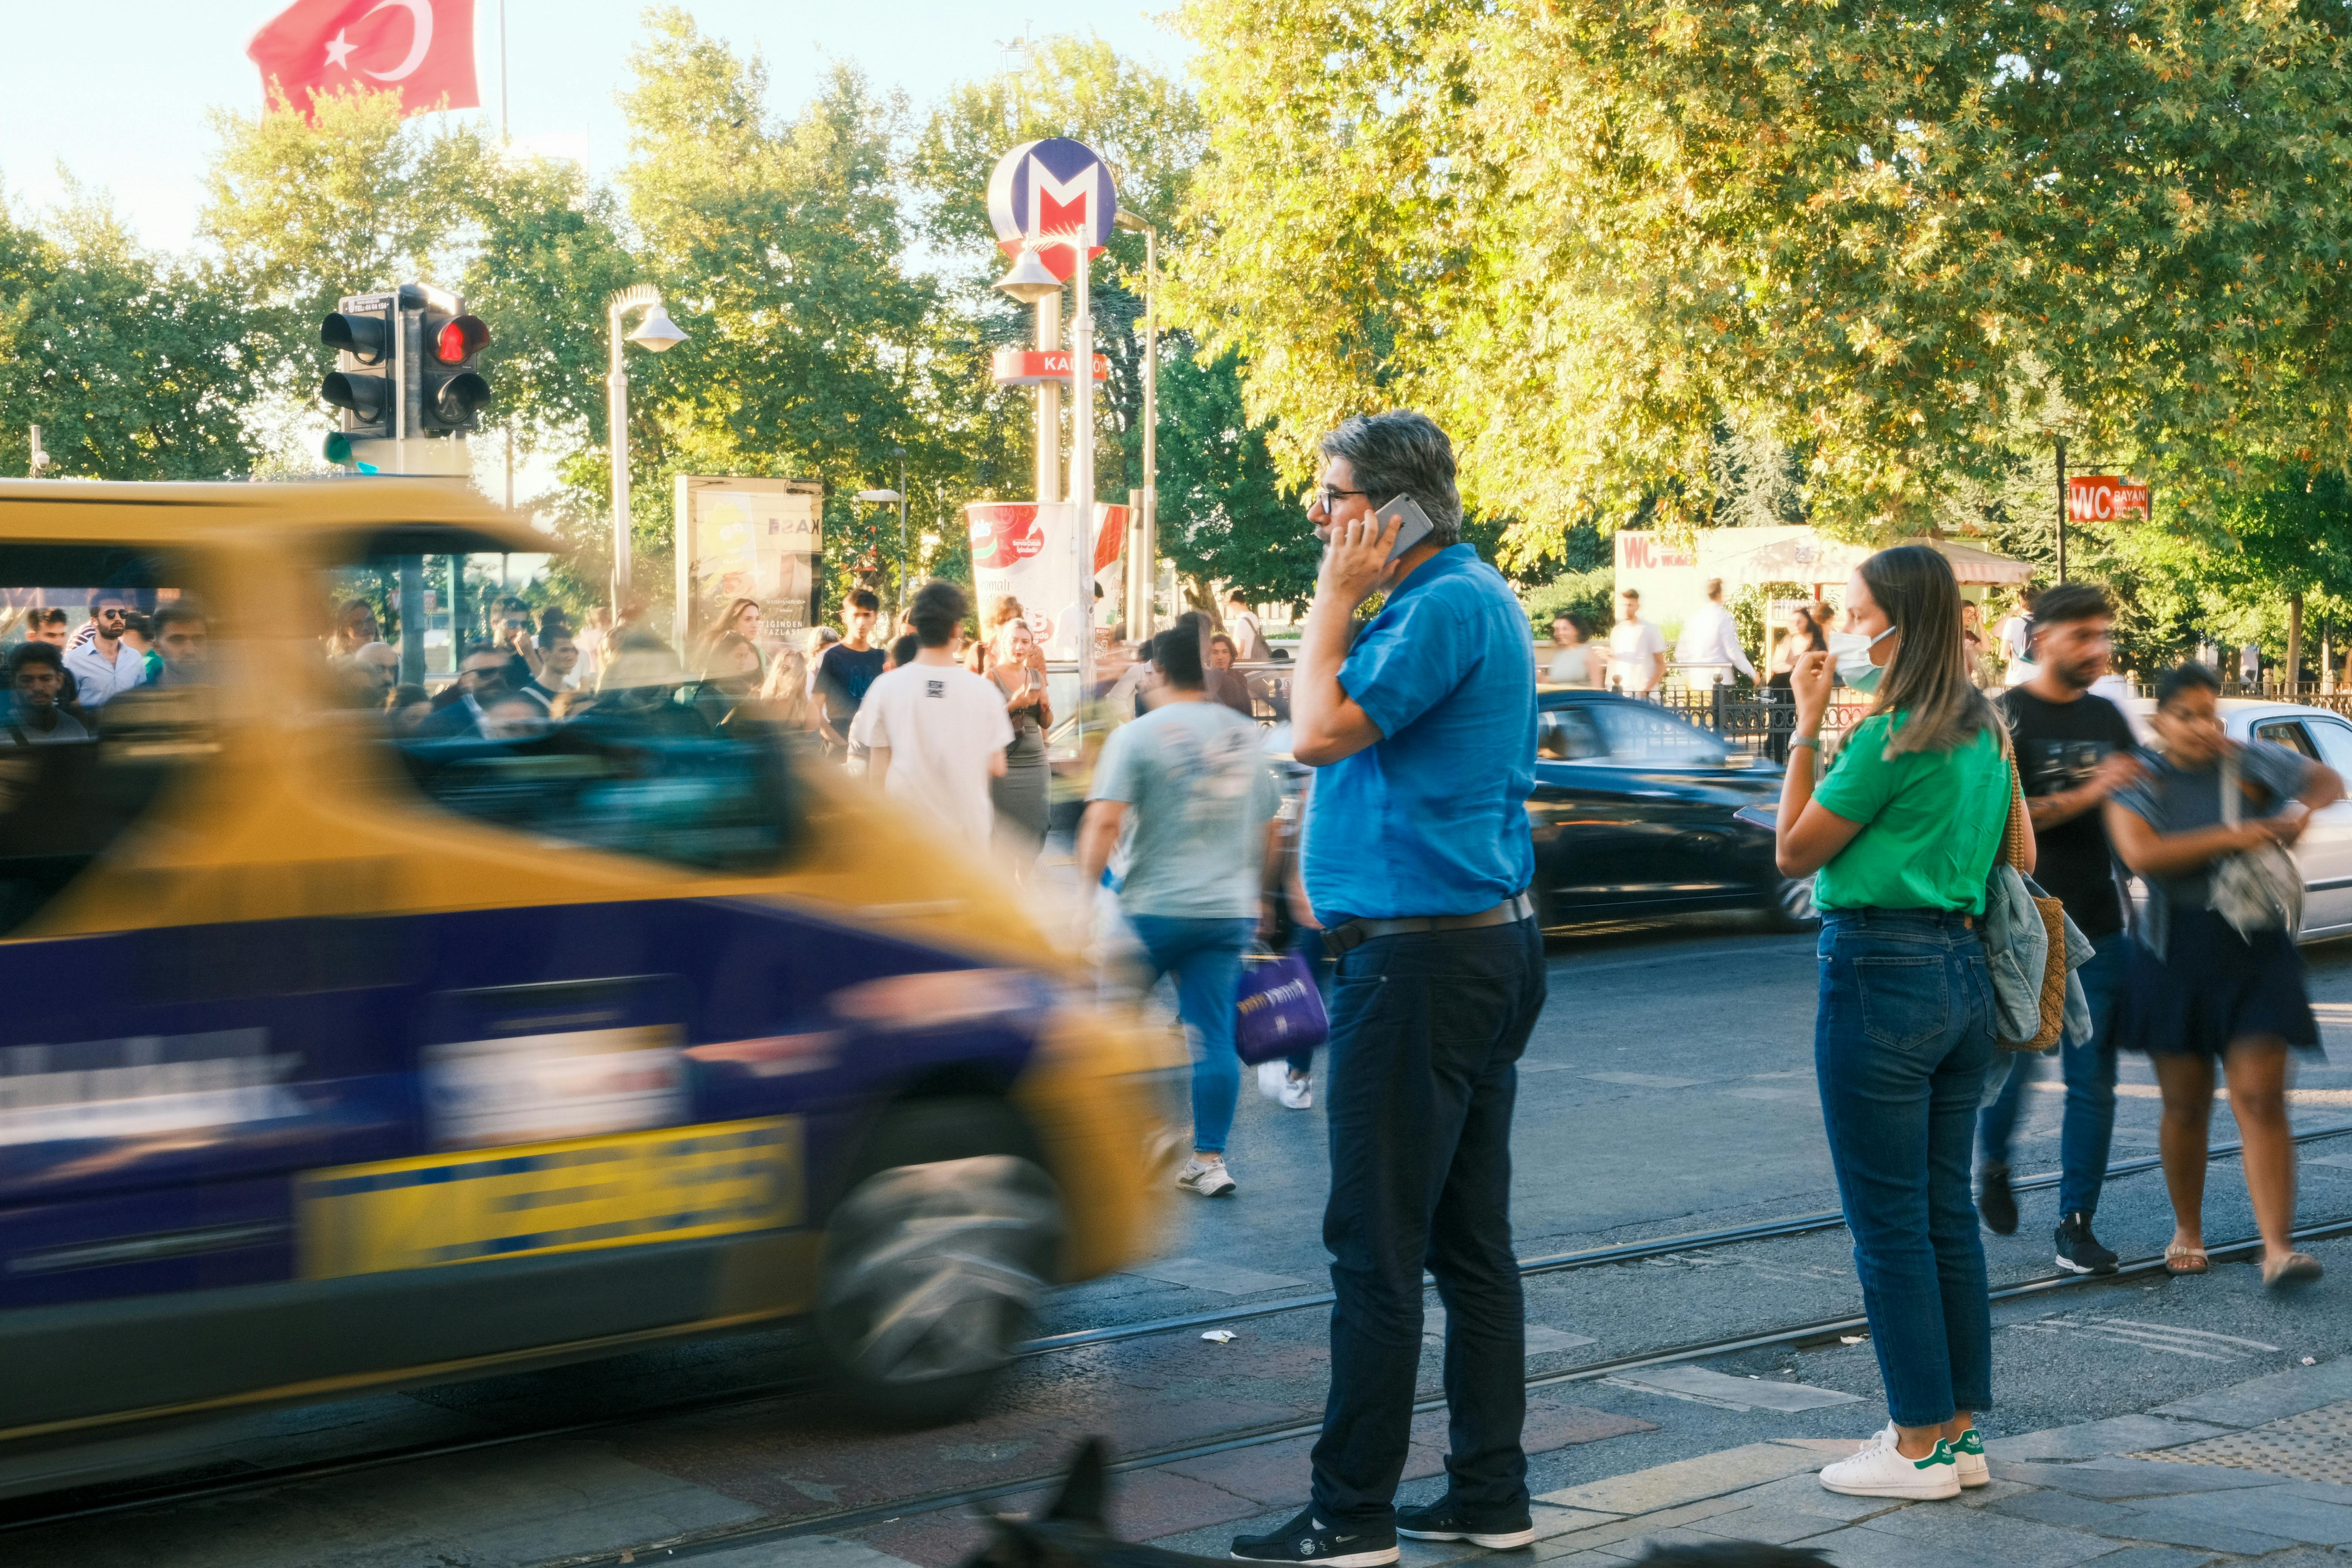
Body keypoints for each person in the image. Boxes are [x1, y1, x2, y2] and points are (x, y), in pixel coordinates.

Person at [1231, 411, 1543, 1568]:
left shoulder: (1440, 605)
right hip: (1457, 949)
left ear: (1397, 508)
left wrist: (1330, 597)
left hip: (1423, 965)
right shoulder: (1457, 600)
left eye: (1335, 494)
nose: (1320, 515)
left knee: (1374, 1245)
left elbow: (1314, 730)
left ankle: (1351, 1513)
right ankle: (1486, 1495)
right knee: (1467, 1241)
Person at [1773, 544, 2021, 1502]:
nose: (1844, 629)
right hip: (1963, 973)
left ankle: (1915, 1444)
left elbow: (1795, 852)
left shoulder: (1890, 736)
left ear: (1896, 624)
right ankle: (1958, 1433)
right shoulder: (1987, 729)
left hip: (1880, 971)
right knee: (1940, 1208)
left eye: (1854, 611)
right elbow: (2020, 847)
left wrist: (1803, 726)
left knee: (1887, 1223)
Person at [2104, 661, 2343, 1288]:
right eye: (2187, 714)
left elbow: (2327, 780)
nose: (2202, 726)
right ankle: (2188, 1228)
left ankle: (2278, 1249)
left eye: (2210, 712)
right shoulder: (2141, 778)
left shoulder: (2249, 760)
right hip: (2175, 952)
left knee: (2262, 1099)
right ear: (2161, 719)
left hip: (2255, 949)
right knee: (2185, 1106)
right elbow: (2142, 854)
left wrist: (2298, 813)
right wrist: (2249, 832)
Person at [1078, 618, 1282, 1197]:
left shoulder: (1139, 735)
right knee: (1213, 1034)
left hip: (1149, 908)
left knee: (1109, 1026)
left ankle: (1143, 1131)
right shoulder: (1244, 735)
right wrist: (1260, 896)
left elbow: (1103, 820)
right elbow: (1270, 826)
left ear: (1159, 672)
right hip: (1225, 911)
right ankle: (1209, 1160)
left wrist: (1081, 899)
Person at [1974, 584, 2142, 1274]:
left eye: (2103, 635)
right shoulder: (2006, 716)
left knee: (2093, 1081)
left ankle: (2076, 1225)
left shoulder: (2109, 718)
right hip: (2026, 926)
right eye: (2084, 636)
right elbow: (2006, 818)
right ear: (2042, 638)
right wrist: (2091, 792)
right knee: (2015, 1068)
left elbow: (2132, 814)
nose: (2098, 650)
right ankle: (1995, 1164)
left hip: (2100, 927)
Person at [848, 580, 1012, 851]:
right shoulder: (984, 692)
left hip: (905, 833)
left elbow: (877, 770)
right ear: (956, 629)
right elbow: (997, 767)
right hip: (967, 835)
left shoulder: (885, 687)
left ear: (917, 628)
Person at [987, 620, 1055, 870]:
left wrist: (1046, 708)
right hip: (1004, 762)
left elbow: (1046, 722)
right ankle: (1003, 882)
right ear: (1004, 643)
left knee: (1039, 824)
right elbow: (984, 723)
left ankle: (1024, 875)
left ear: (1031, 647)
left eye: (1025, 642)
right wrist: (1013, 705)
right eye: (1014, 640)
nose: (1019, 646)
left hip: (1035, 761)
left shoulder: (1036, 676)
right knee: (1003, 828)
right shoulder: (991, 677)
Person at [816, 590, 887, 754]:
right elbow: (814, 709)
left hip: (873, 747)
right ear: (845, 617)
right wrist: (841, 744)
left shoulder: (882, 658)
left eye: (867, 615)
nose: (861, 621)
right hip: (839, 747)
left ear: (875, 618)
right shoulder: (831, 657)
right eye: (856, 615)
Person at [64, 591, 149, 709]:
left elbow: (141, 700)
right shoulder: (73, 660)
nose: (118, 618)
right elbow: (68, 705)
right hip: (91, 727)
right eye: (111, 614)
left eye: (123, 613)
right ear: (94, 622)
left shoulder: (135, 657)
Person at [1764, 605, 1827, 764]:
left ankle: (1791, 755)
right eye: (1791, 622)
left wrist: (1792, 668)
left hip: (1801, 688)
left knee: (1794, 721)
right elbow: (1776, 664)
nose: (1794, 625)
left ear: (1808, 621)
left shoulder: (1816, 641)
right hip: (1780, 687)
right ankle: (1775, 755)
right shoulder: (1788, 641)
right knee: (1777, 720)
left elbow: (1820, 664)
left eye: (1799, 621)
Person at [1674, 577, 1756, 689]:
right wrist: (1753, 673)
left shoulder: (1695, 617)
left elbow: (1681, 651)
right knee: (1721, 707)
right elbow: (1732, 651)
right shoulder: (1723, 617)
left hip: (1697, 681)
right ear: (1720, 594)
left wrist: (1689, 673)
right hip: (1720, 680)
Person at [413, 646, 510, 738]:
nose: (497, 678)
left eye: (503, 672)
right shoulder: (437, 723)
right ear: (465, 680)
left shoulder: (522, 713)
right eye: (486, 672)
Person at [3, 642, 88, 744]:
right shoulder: (3, 731)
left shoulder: (74, 729)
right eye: (27, 680)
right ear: (14, 683)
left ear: (59, 681)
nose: (38, 688)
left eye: (46, 679)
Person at [1608, 588, 1666, 695]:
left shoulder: (1651, 630)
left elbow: (1661, 664)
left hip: (1647, 696)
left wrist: (1647, 690)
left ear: (1637, 607)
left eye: (1630, 605)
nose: (1626, 609)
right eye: (1624, 605)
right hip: (1623, 694)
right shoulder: (1617, 631)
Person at [150, 603, 210, 688]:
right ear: (157, 647)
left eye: (198, 639)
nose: (190, 651)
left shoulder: (230, 690)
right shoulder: (138, 697)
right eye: (177, 640)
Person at [1205, 629, 1256, 716]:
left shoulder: (1239, 679)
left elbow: (1244, 709)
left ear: (1231, 656)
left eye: (1225, 652)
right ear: (1208, 656)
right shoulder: (1203, 679)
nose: (1220, 657)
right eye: (1215, 652)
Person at [1997, 588, 2038, 687]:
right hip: (2039, 681)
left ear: (2020, 603)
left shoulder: (2013, 623)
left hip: (2017, 679)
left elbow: (2003, 655)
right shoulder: (2046, 623)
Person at [1545, 614, 1596, 687]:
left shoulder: (1589, 653)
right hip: (1559, 697)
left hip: (1581, 697)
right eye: (1557, 630)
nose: (1559, 633)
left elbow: (1597, 687)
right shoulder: (1559, 653)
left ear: (1577, 630)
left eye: (1564, 629)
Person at [1226, 587, 1273, 662]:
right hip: (1257, 662)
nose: (1231, 612)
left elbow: (1240, 649)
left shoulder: (1242, 621)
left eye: (1230, 608)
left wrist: (1236, 666)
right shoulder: (1254, 617)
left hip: (1246, 664)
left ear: (1235, 604)